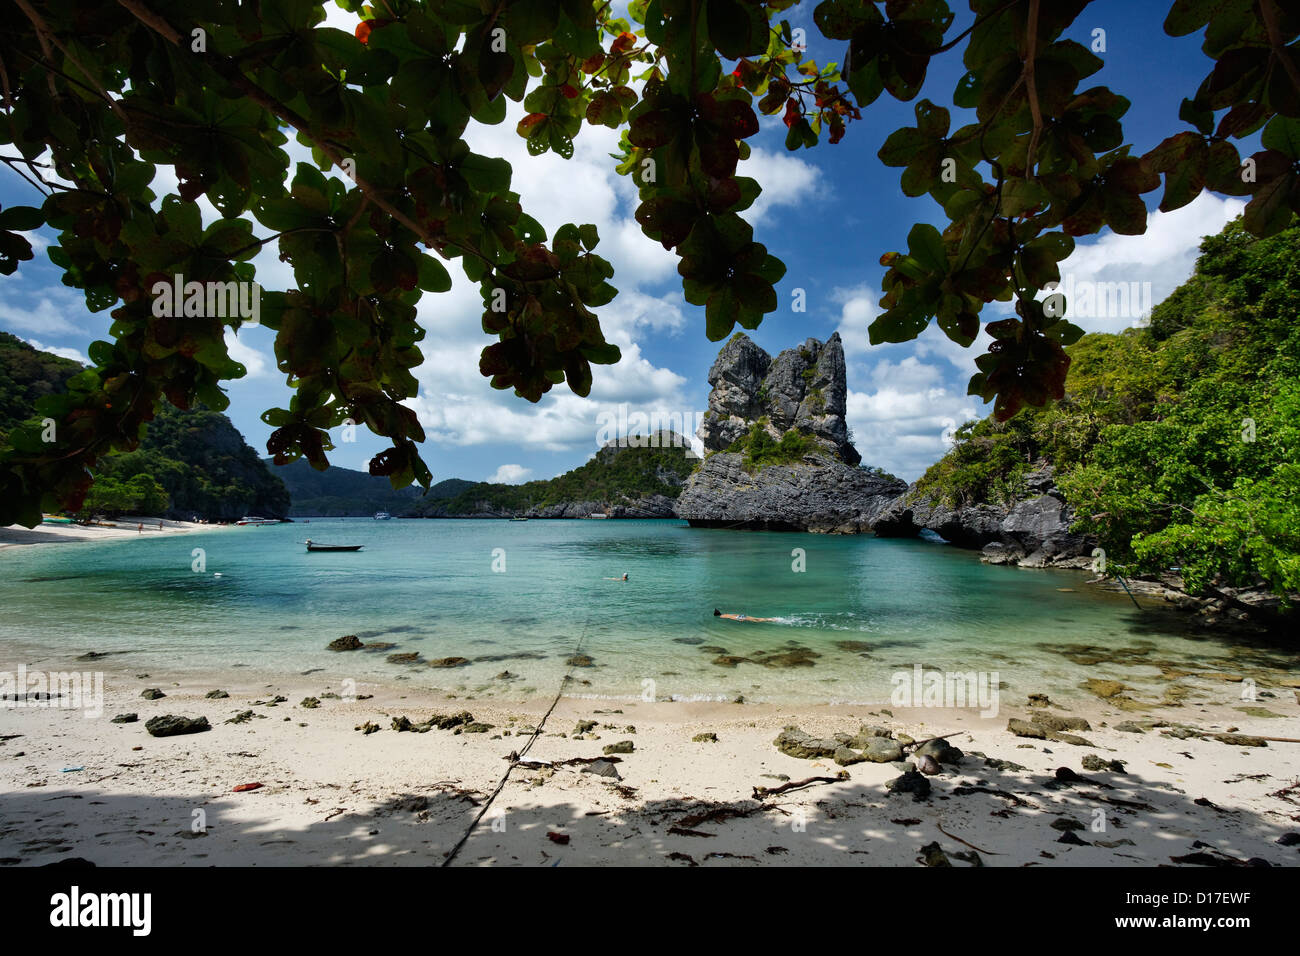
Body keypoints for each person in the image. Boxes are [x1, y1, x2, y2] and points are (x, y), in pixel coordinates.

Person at [714, 608, 778, 623]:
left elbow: (731, 618)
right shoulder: (725, 614)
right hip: (740, 615)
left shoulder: (722, 616)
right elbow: (733, 614)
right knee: (756, 618)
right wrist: (740, 616)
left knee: (756, 621)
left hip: (738, 617)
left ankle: (771, 620)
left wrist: (738, 619)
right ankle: (770, 619)